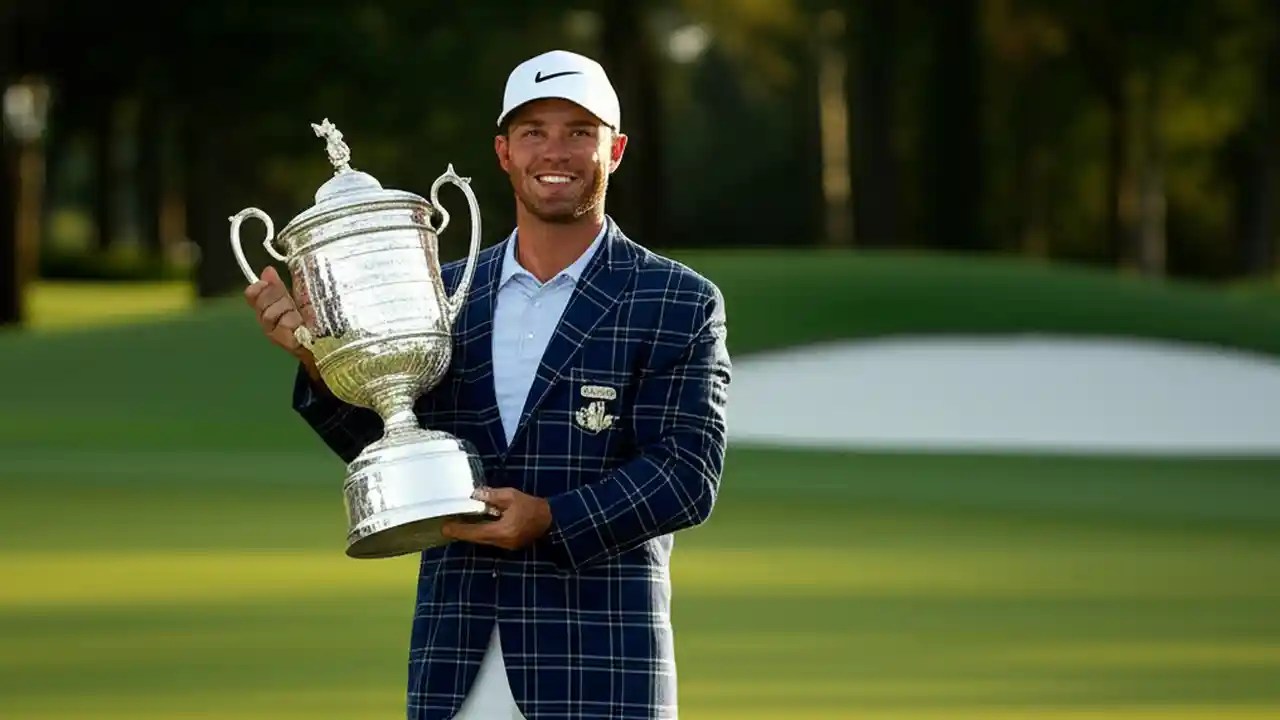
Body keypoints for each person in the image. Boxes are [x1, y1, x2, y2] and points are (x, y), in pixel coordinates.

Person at [244, 49, 732, 720]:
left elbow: (685, 476)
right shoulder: (438, 290)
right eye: (533, 131)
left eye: (578, 132)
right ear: (503, 151)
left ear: (614, 149)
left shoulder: (677, 300)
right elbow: (391, 445)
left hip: (600, 666)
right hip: (457, 664)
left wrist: (551, 519)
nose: (553, 151)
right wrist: (319, 360)